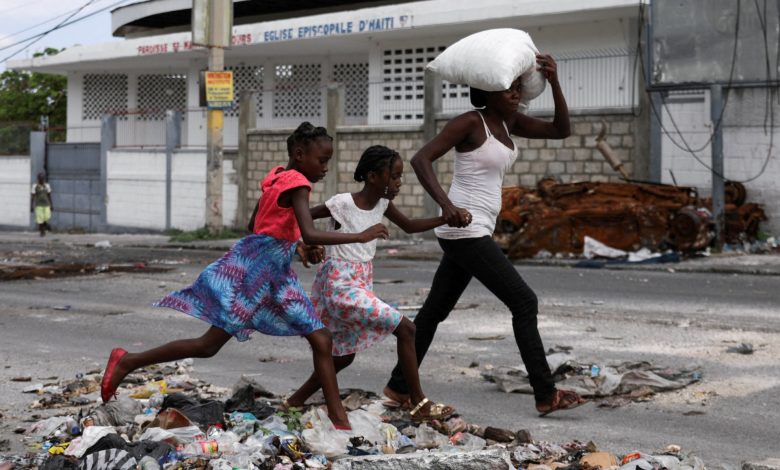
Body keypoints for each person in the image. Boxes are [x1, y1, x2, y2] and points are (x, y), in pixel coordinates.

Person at [100, 122, 388, 430]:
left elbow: (258, 225)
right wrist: (359, 236)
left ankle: (338, 419)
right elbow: (308, 229)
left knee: (312, 339)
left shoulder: (277, 177)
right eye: (322, 160)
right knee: (305, 339)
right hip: (258, 276)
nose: (325, 167)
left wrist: (297, 248)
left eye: (328, 160)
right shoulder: (297, 182)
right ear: (300, 154)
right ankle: (127, 361)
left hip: (266, 272)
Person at [384, 54, 588, 416]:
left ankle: (399, 387)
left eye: (515, 87)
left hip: (472, 230)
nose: (514, 93)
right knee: (524, 302)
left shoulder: (510, 123)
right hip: (464, 229)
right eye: (505, 88)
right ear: (485, 93)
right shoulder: (469, 122)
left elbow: (561, 130)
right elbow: (421, 159)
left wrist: (555, 81)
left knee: (433, 312)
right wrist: (446, 205)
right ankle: (545, 393)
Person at [283, 145, 459, 423]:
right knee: (406, 328)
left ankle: (294, 400)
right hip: (339, 285)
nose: (398, 183)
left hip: (361, 283)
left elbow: (411, 226)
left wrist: (446, 217)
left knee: (343, 356)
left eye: (400, 177)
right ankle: (418, 402)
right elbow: (298, 217)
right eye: (394, 176)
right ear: (373, 176)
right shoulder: (341, 203)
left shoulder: (383, 204)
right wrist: (305, 243)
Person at [31, 172, 53, 237]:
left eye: (43, 178)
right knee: (40, 219)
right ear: (38, 179)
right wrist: (31, 206)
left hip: (46, 204)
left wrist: (51, 205)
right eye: (40, 178)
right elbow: (33, 196)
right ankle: (42, 232)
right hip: (38, 205)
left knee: (47, 217)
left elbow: (49, 195)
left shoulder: (47, 186)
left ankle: (46, 225)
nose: (41, 179)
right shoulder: (34, 186)